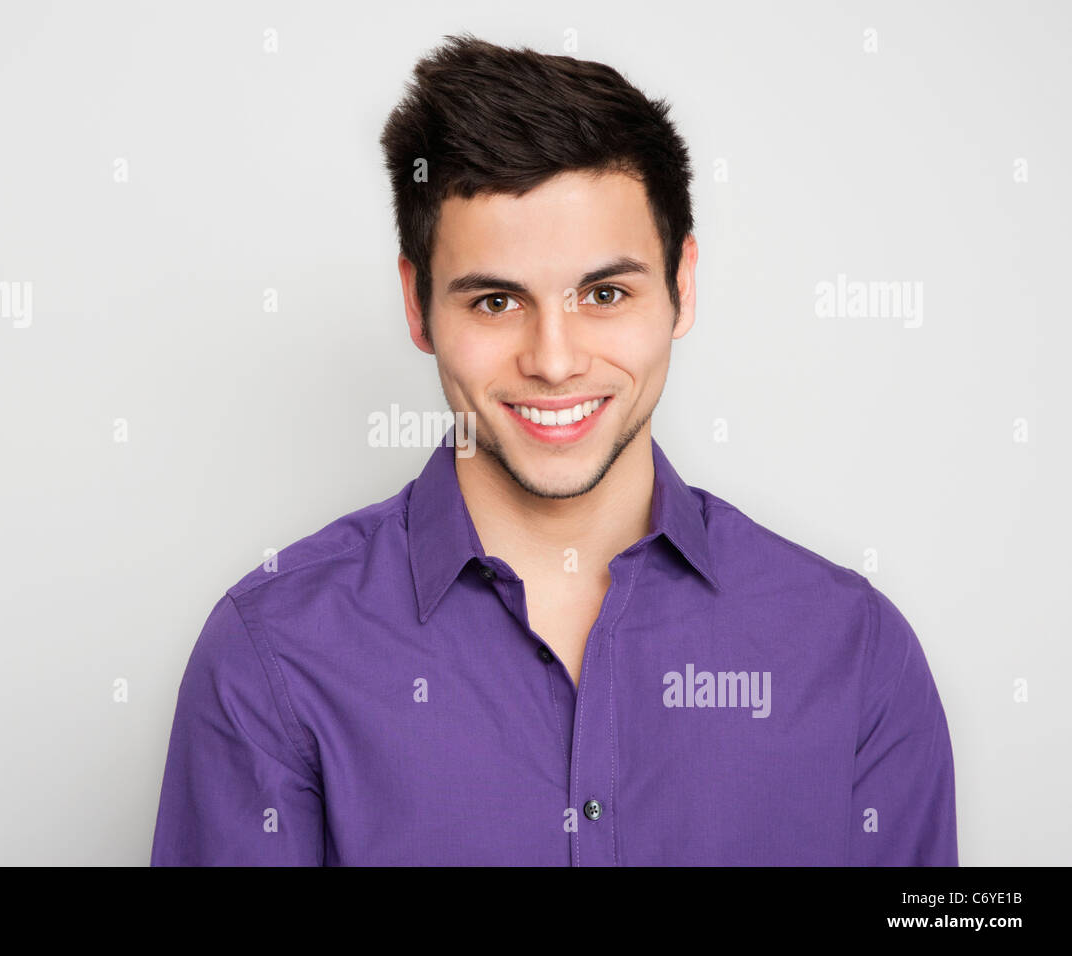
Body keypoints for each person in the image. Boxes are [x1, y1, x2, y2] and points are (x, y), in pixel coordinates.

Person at [150, 33, 957, 866]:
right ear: (418, 306)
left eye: (604, 293)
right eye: (497, 302)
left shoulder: (853, 652)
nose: (555, 360)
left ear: (681, 286)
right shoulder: (271, 656)